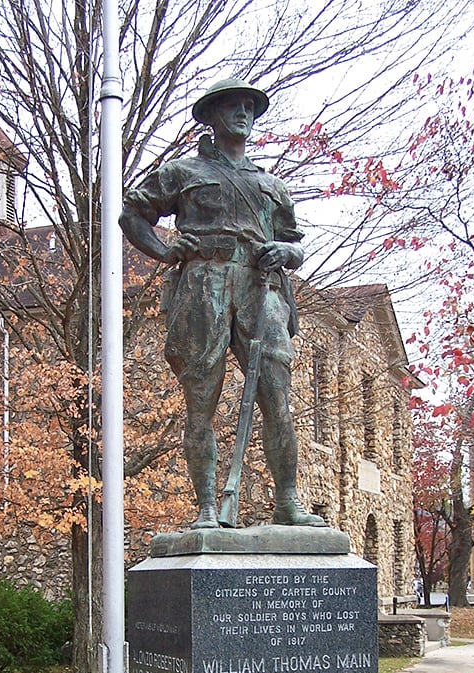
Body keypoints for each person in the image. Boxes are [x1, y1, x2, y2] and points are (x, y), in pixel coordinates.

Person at [119, 78, 325, 529]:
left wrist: (287, 252)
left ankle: (288, 501)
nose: (243, 114)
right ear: (212, 117)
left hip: (260, 287)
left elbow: (294, 244)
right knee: (201, 401)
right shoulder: (182, 172)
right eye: (233, 106)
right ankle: (208, 508)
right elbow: (132, 214)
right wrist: (164, 251)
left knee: (277, 397)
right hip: (202, 285)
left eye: (249, 107)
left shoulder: (270, 184)